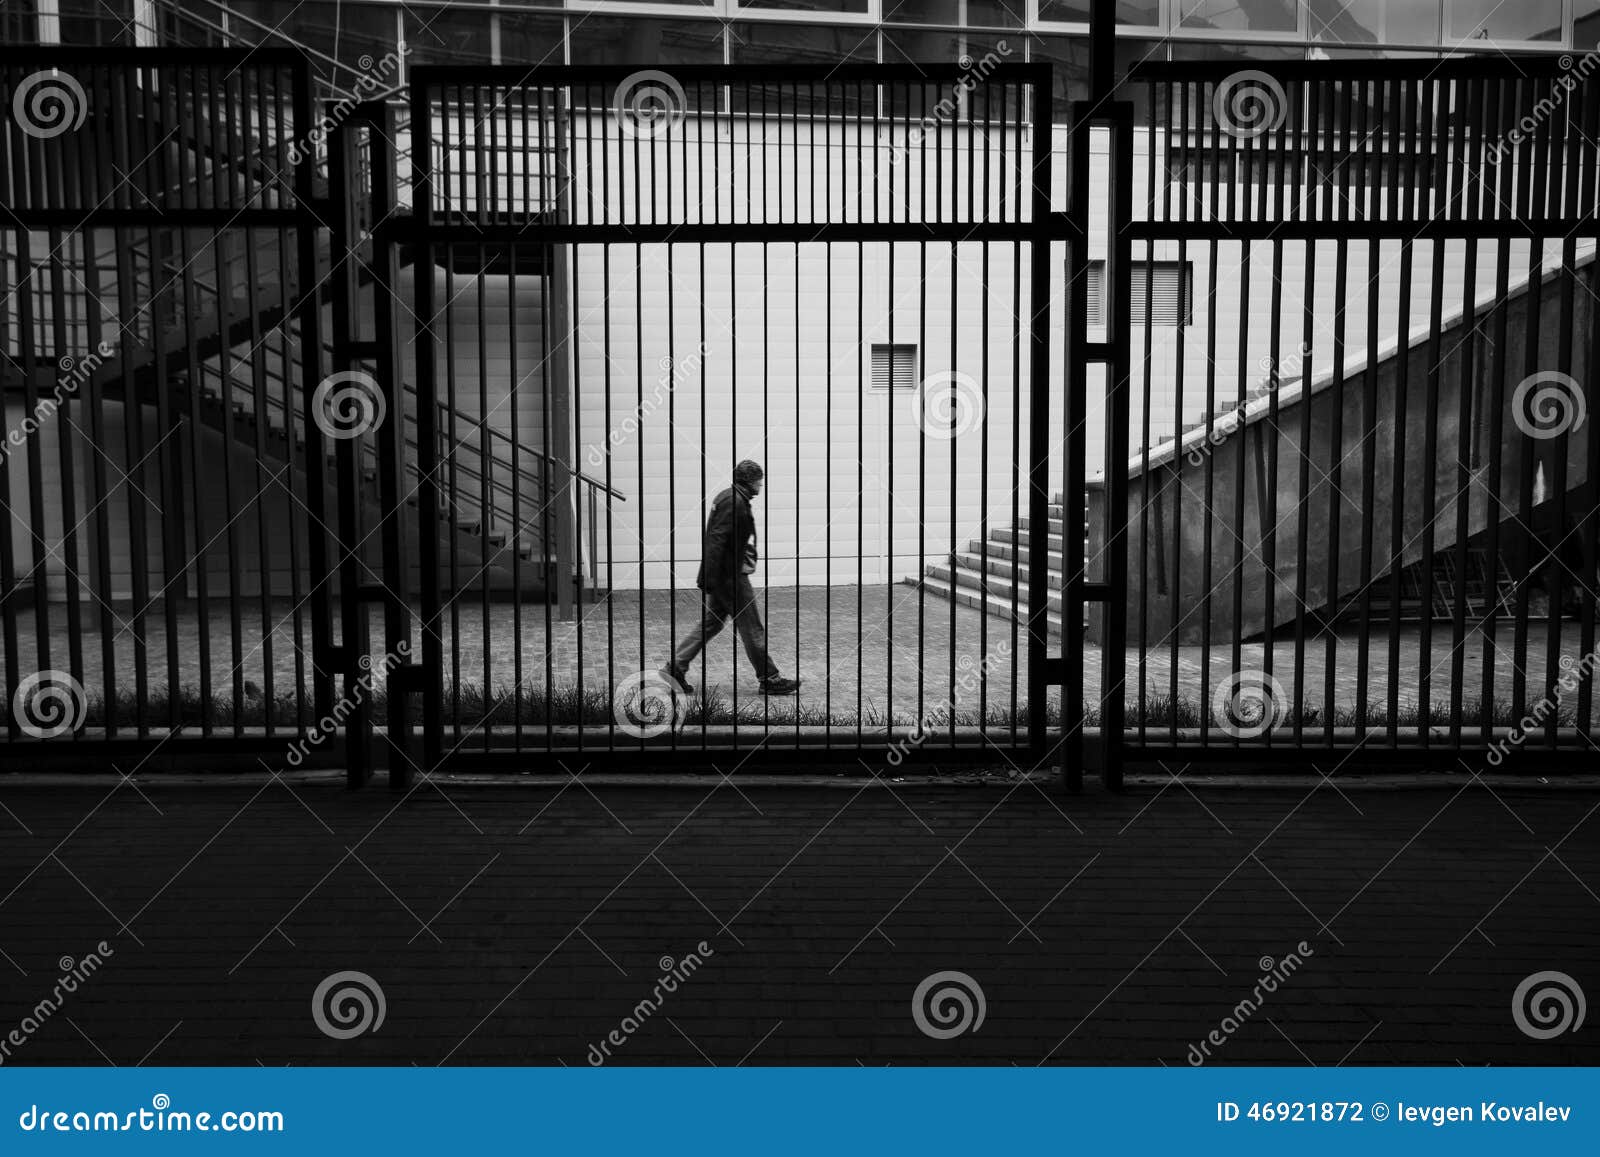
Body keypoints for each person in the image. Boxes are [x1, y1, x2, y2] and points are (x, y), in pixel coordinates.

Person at [660, 460, 801, 696]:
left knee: (710, 624)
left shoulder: (728, 497)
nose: (761, 484)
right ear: (750, 480)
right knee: (752, 627)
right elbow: (717, 540)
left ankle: (675, 666)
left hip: (721, 576)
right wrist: (711, 578)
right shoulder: (735, 502)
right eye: (759, 480)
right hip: (730, 577)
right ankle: (769, 678)